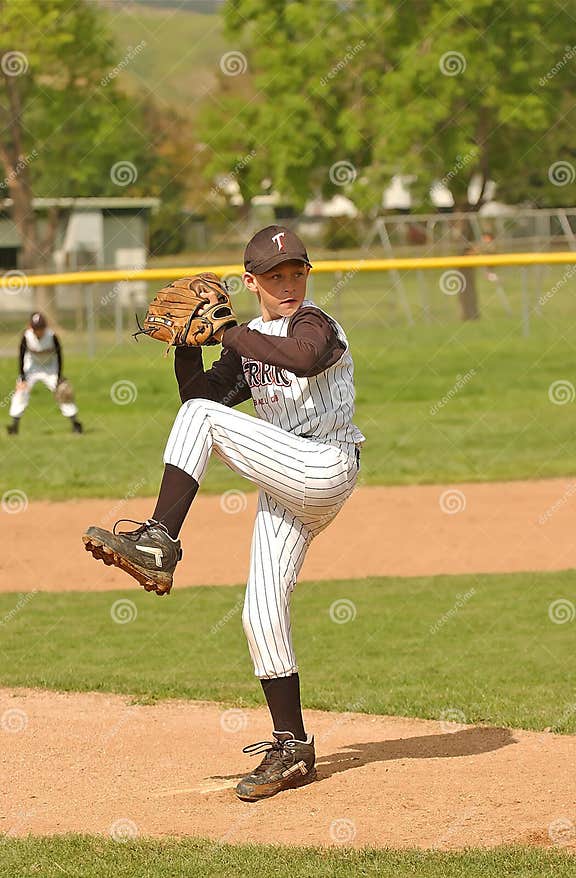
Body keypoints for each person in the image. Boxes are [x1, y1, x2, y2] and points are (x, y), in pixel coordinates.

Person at [83, 226, 365, 801]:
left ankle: (159, 541)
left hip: (325, 464)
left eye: (297, 272)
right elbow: (200, 401)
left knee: (203, 424)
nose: (288, 284)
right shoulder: (248, 345)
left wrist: (229, 332)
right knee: (260, 610)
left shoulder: (314, 324)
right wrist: (189, 345)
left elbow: (304, 359)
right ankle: (292, 746)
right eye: (274, 276)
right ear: (250, 282)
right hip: (286, 481)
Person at [6, 312, 83, 435]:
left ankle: (76, 424)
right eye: (36, 328)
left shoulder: (52, 336)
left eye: (41, 328)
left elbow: (59, 356)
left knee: (62, 392)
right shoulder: (26, 336)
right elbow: (21, 356)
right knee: (20, 393)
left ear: (45, 327)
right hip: (32, 368)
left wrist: (59, 377)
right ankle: (14, 426)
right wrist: (22, 377)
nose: (38, 331)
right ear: (31, 327)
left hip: (50, 368)